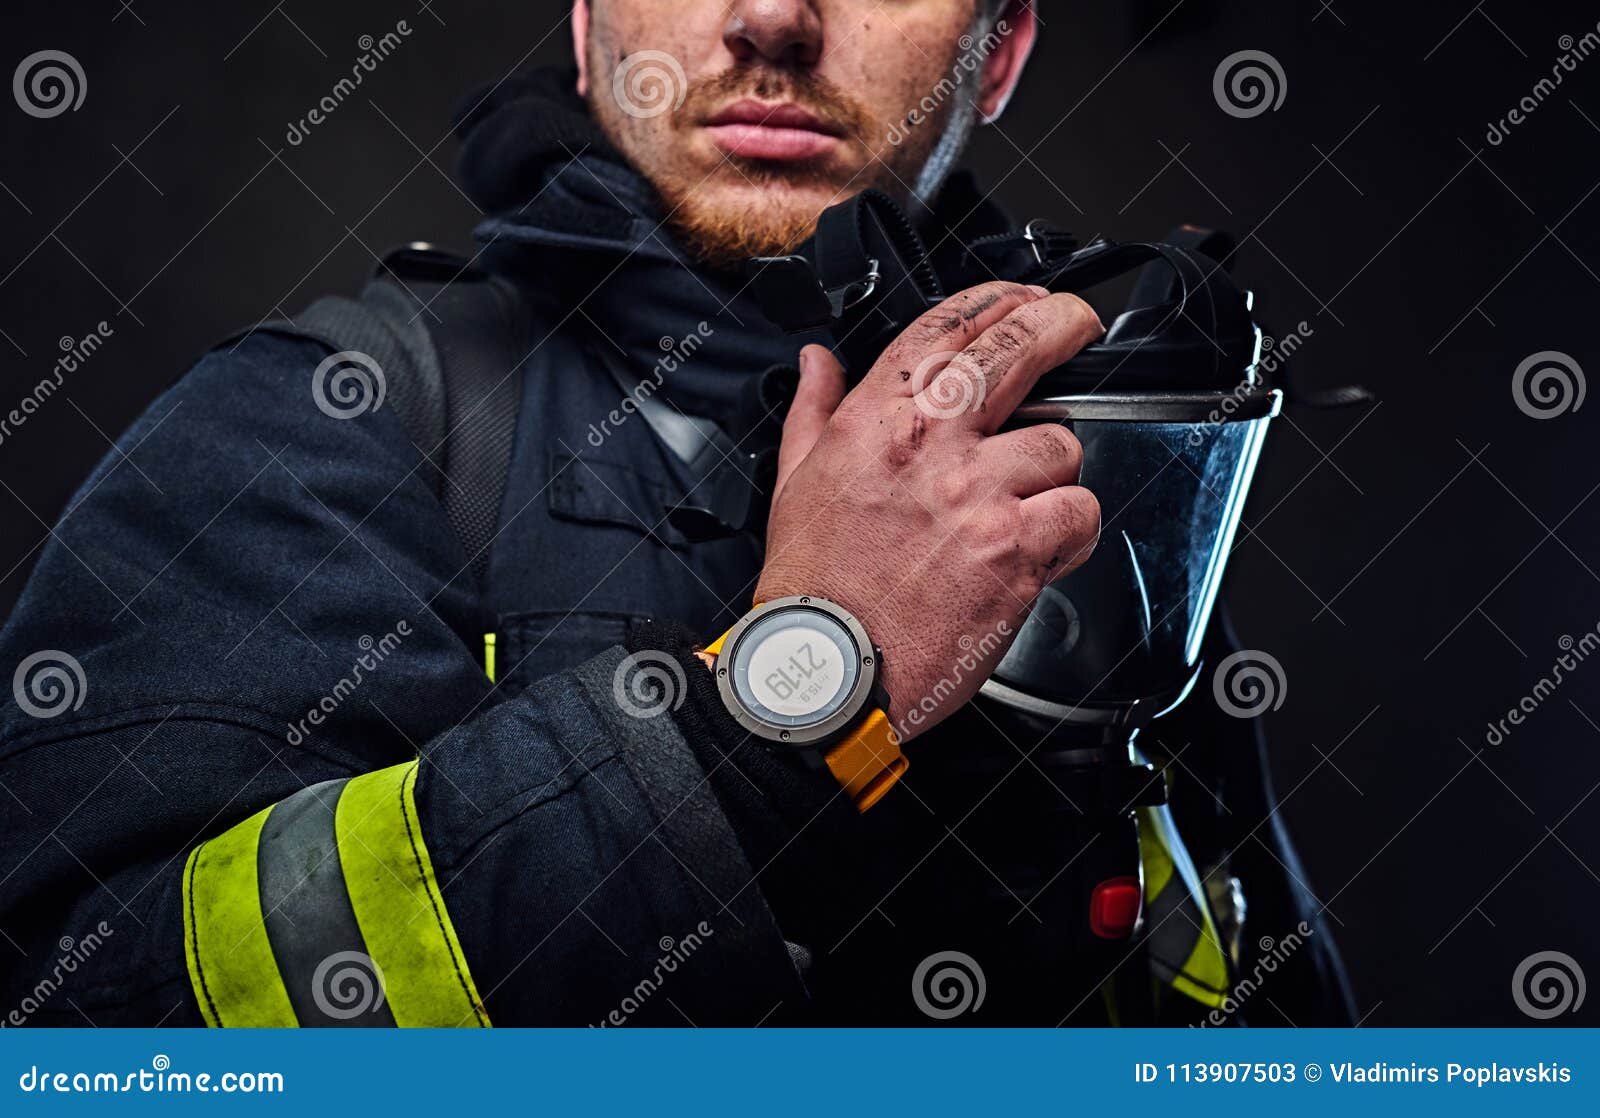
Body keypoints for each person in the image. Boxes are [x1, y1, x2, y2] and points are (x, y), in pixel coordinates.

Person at [0, 0, 1352, 1026]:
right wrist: (780, 706)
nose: (772, 18)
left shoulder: (1065, 489)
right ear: (590, 31)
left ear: (996, 53)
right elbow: (83, 1025)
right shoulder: (317, 426)